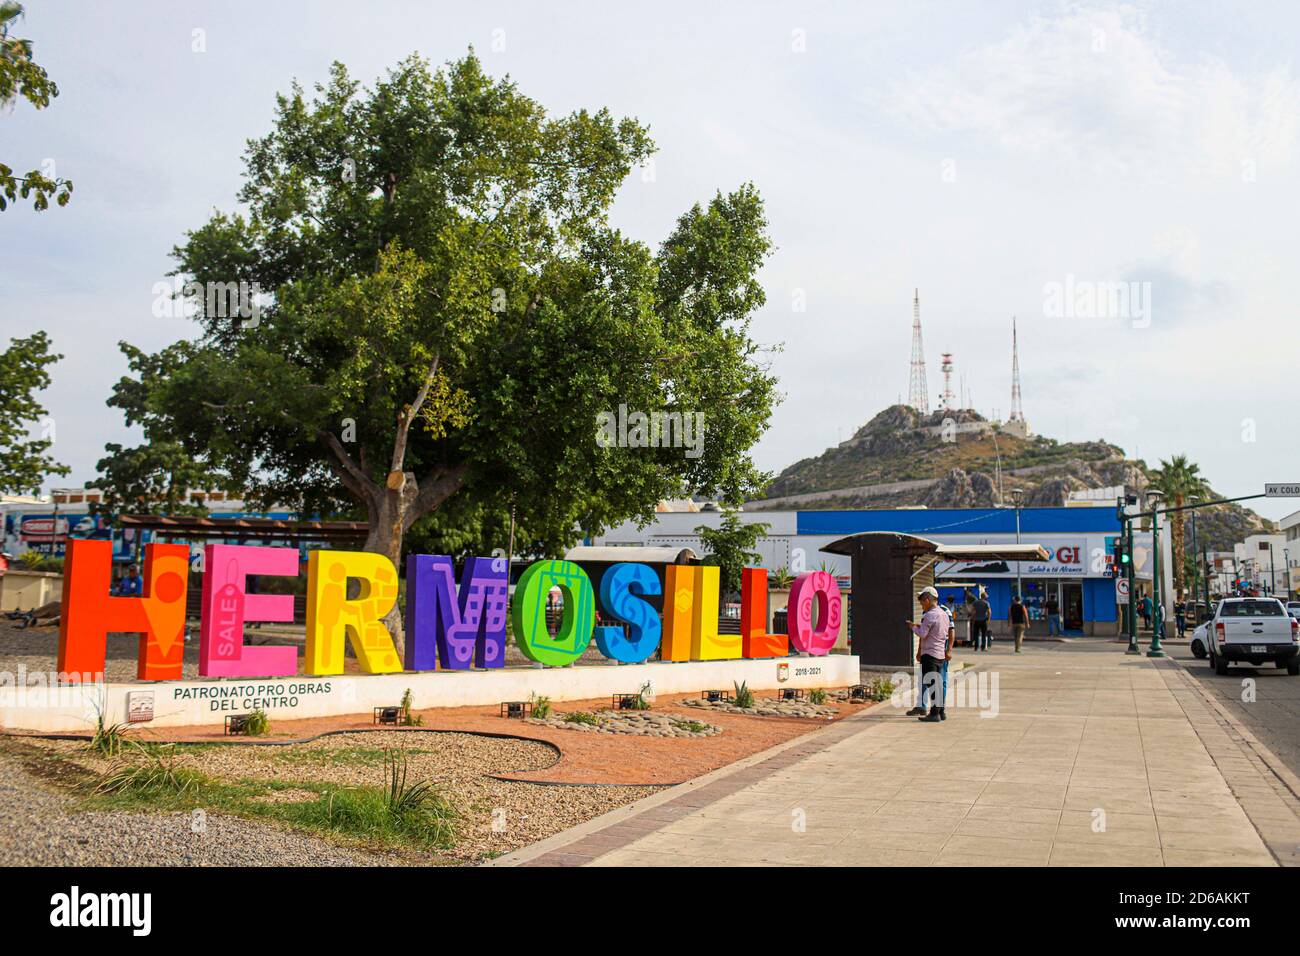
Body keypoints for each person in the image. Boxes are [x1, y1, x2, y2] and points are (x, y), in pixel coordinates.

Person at [906, 586, 951, 723]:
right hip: (940, 654)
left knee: (932, 683)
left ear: (927, 599)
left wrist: (912, 627)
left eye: (922, 602)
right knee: (937, 683)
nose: (922, 605)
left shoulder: (930, 615)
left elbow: (923, 634)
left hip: (929, 654)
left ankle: (934, 714)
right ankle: (941, 712)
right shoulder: (944, 614)